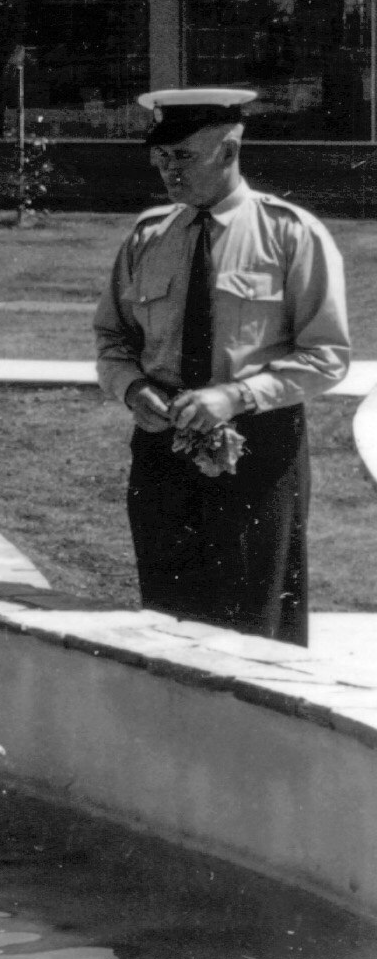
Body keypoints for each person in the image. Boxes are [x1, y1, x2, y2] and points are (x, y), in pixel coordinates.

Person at [94, 88, 350, 642]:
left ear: (229, 150)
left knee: (253, 617)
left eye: (184, 157)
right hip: (161, 451)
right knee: (165, 618)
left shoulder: (290, 234)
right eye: (162, 158)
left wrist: (235, 396)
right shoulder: (149, 236)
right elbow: (113, 337)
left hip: (256, 450)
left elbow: (327, 355)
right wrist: (131, 387)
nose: (169, 172)